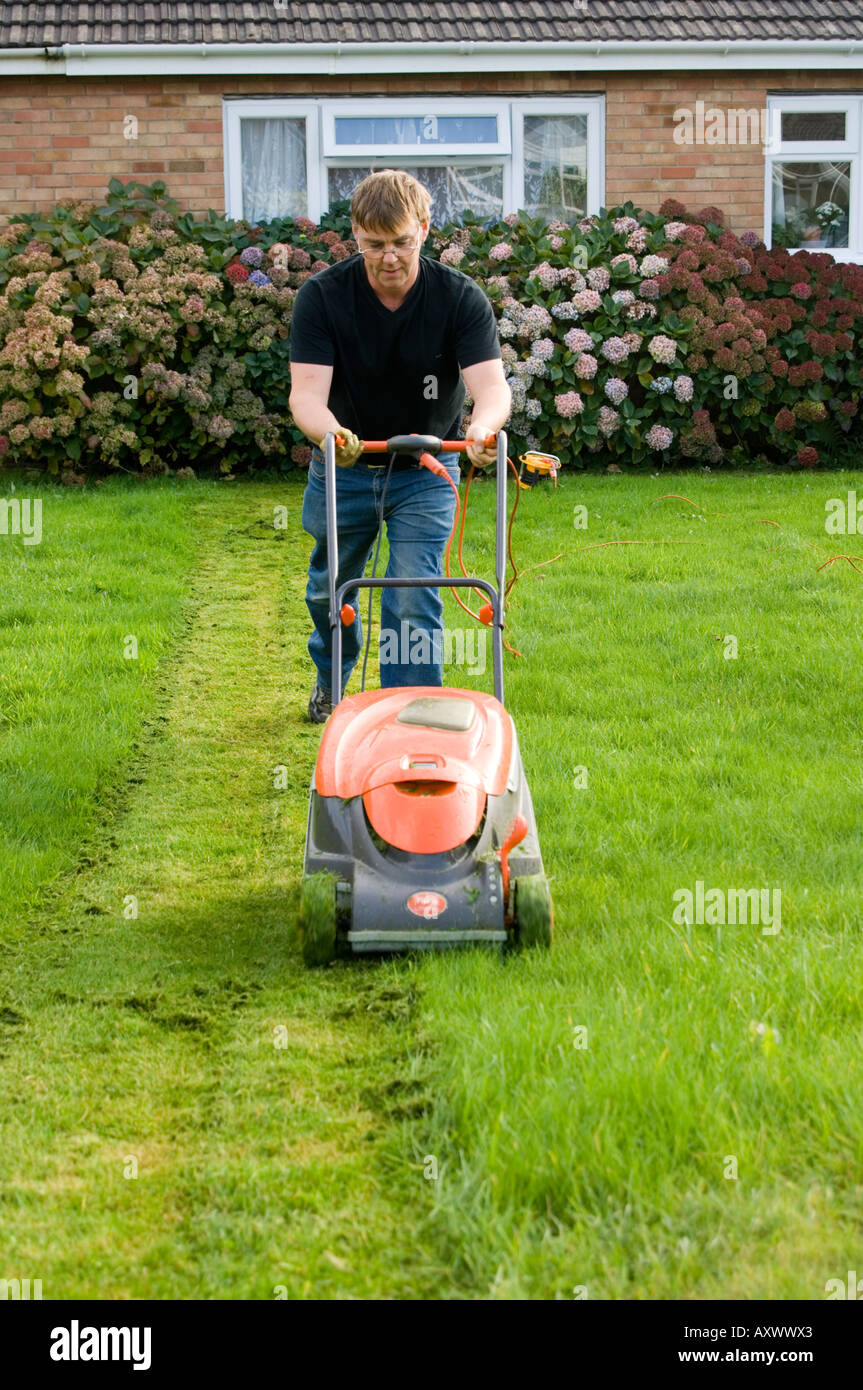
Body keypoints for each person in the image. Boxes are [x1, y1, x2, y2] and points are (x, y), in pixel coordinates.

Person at [289, 169, 511, 723]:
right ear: (355, 235)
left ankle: (408, 715)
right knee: (328, 591)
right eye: (374, 245)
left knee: (412, 592)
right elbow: (306, 396)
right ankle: (333, 677)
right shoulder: (323, 297)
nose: (389, 257)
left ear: (425, 230)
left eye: (401, 242)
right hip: (345, 469)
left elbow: (491, 389)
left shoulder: (459, 298)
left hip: (426, 470)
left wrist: (482, 430)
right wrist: (332, 435)